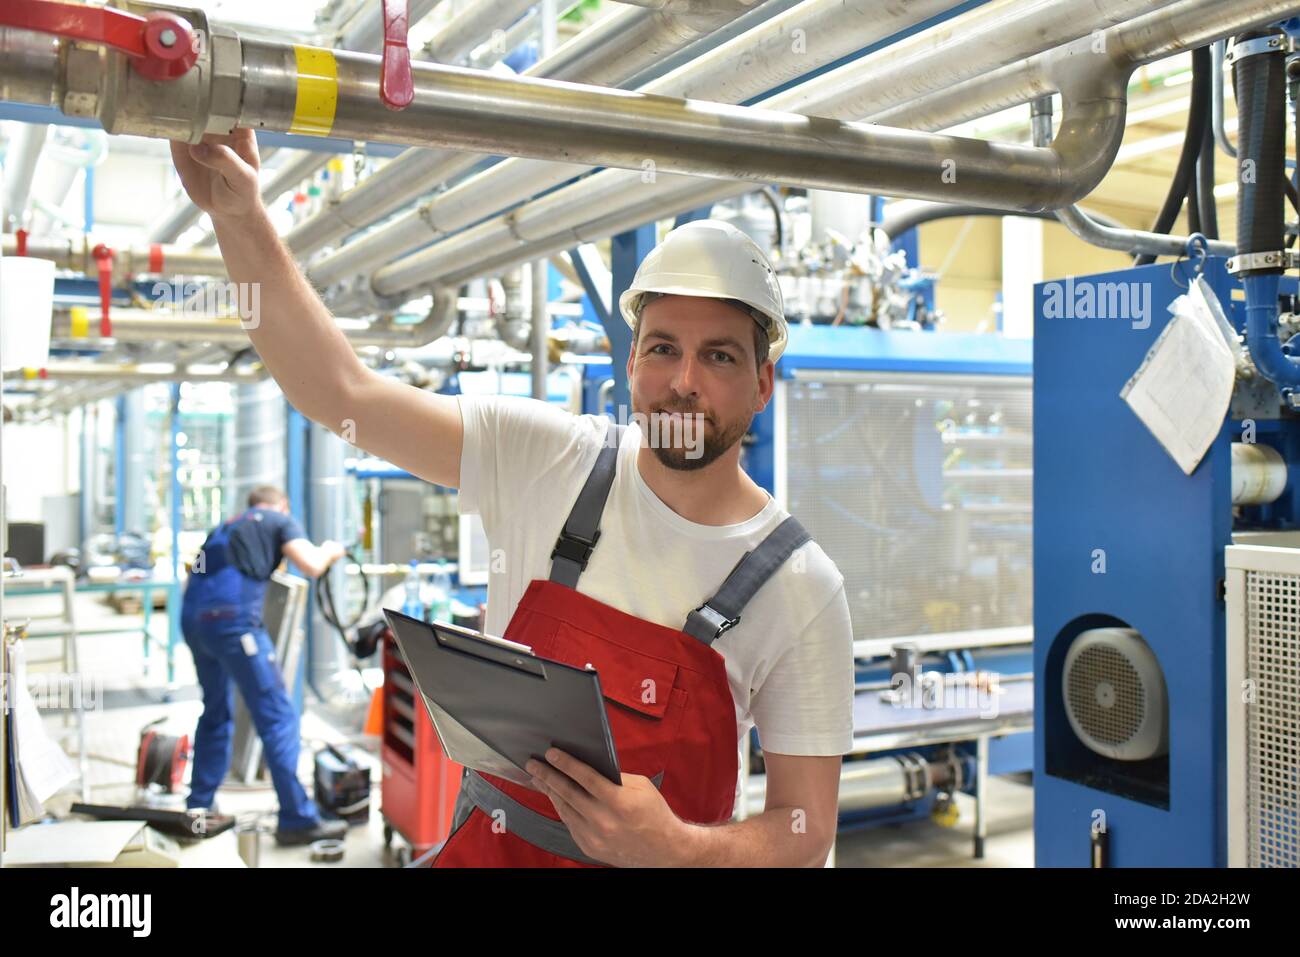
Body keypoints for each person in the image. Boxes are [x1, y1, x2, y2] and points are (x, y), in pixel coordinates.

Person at [170, 129, 853, 867]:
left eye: (718, 354)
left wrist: (675, 845)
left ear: (761, 383)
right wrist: (239, 215)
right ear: (631, 363)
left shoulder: (799, 584)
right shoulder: (547, 460)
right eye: (663, 347)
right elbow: (340, 392)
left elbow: (805, 829)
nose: (684, 379)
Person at [180, 484, 348, 846]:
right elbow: (311, 565)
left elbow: (190, 577)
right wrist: (331, 551)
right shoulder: (278, 520)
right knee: (277, 716)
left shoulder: (223, 528)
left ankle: (198, 808)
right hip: (233, 624)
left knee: (215, 712)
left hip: (194, 622)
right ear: (282, 506)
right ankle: (297, 819)